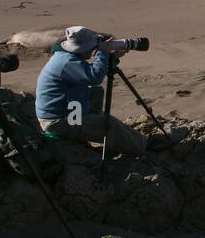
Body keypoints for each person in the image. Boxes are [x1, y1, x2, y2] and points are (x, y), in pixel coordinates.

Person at [35, 26, 148, 157]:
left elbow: (88, 73)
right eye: (91, 47)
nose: (92, 50)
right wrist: (103, 52)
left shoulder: (64, 56)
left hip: (66, 110)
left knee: (96, 91)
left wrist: (110, 58)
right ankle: (143, 145)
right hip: (58, 122)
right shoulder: (66, 62)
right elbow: (94, 77)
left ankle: (88, 128)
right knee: (109, 124)